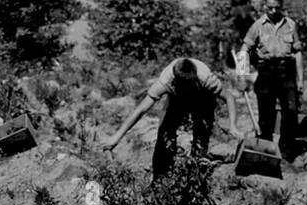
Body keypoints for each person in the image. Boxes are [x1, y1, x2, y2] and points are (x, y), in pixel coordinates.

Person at [103, 57, 241, 180]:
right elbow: (141, 110)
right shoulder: (165, 81)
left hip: (202, 98)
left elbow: (229, 97)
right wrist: (116, 137)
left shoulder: (205, 78)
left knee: (201, 138)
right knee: (164, 135)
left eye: (191, 84)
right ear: (175, 82)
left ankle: (196, 176)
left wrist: (233, 125)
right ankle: (159, 180)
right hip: (177, 99)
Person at [240, 0, 305, 160]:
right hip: (266, 73)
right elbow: (244, 49)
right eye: (270, 7)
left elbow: (298, 52)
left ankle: (286, 150)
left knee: (291, 112)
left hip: (287, 72)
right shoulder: (257, 26)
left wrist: (300, 80)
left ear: (282, 5)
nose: (274, 11)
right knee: (266, 116)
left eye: (277, 7)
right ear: (265, 7)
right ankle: (266, 151)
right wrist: (241, 77)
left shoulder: (291, 25)